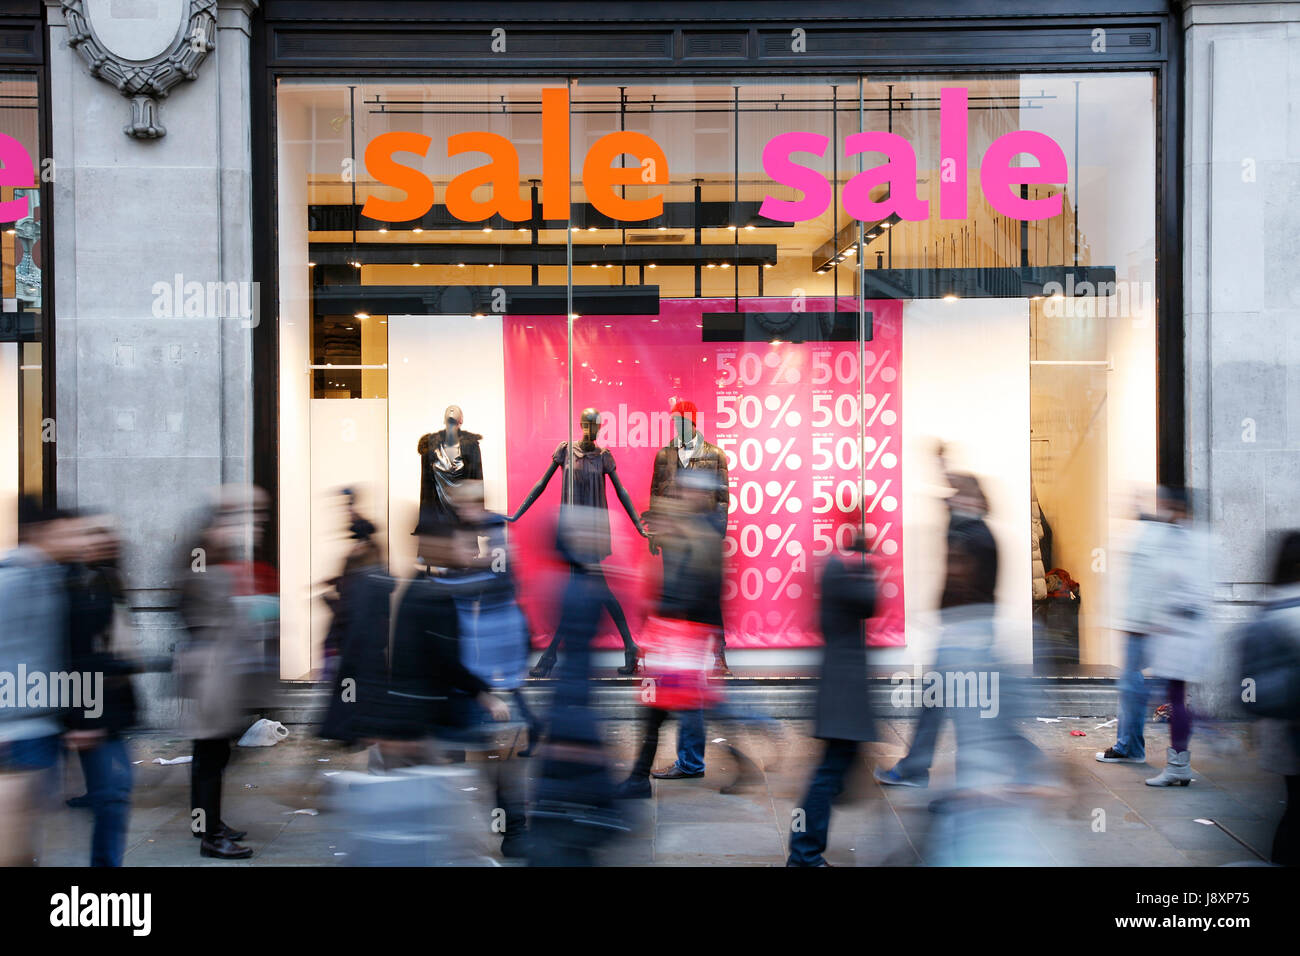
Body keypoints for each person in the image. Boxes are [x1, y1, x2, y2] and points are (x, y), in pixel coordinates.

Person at [875, 472, 999, 788]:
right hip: (960, 633)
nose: (953, 501)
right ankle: (921, 771)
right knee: (938, 705)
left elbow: (968, 584)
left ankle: (962, 781)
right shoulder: (969, 532)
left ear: (974, 501)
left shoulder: (978, 539)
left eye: (960, 496)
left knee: (961, 712)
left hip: (968, 635)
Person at [62, 512, 169, 866]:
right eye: (93, 534)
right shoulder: (76, 585)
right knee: (113, 795)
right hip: (92, 706)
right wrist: (81, 720)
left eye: (106, 534)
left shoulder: (108, 581)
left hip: (112, 706)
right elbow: (77, 655)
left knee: (114, 793)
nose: (103, 540)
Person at [1094, 487, 1212, 787]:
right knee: (1166, 692)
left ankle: (1209, 736)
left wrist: (1144, 622)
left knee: (1154, 690)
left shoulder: (1168, 539)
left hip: (1165, 630)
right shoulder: (1176, 538)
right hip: (1167, 629)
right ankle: (1176, 761)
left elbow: (1163, 587)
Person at [176, 485, 270, 860]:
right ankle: (210, 835)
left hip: (219, 670)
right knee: (210, 756)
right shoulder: (202, 555)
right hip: (211, 674)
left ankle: (206, 823)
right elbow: (202, 610)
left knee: (213, 754)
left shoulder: (213, 553)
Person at [787, 536, 878, 867]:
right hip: (844, 686)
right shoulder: (842, 569)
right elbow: (872, 603)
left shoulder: (835, 567)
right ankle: (803, 850)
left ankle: (804, 847)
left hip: (842, 682)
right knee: (826, 775)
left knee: (834, 770)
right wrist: (868, 568)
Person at [0, 500, 77, 866]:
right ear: (40, 533)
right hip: (14, 729)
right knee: (12, 840)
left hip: (41, 723)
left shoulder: (49, 576)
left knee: (27, 836)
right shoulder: (11, 579)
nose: (70, 539)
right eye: (64, 532)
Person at [1239, 532, 1300, 863]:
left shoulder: (1267, 610)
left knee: (1293, 807)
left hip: (1277, 731)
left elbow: (1247, 687)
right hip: (1290, 731)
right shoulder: (1292, 612)